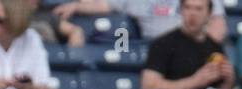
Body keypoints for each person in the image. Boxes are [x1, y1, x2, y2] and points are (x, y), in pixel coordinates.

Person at [140, 0, 236, 89]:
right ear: (180, 10)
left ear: (209, 13)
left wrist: (229, 79)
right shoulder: (163, 44)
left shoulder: (214, 46)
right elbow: (149, 87)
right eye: (187, 8)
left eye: (198, 9)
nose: (192, 14)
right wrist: (194, 82)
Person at [52, 0, 227, 43]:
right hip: (156, 48)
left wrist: (200, 48)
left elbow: (218, 26)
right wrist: (75, 6)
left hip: (194, 45)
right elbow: (106, 4)